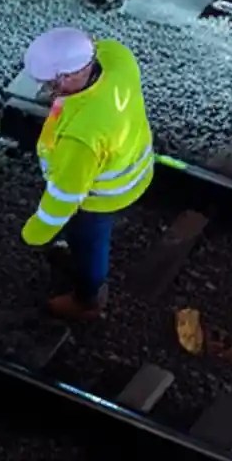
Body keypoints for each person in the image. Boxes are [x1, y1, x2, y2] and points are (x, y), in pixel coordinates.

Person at [20, 27, 154, 321]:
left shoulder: (81, 137)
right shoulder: (118, 57)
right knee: (87, 239)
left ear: (67, 76)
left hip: (99, 199)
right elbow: (100, 45)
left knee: (89, 243)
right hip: (134, 166)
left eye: (51, 83)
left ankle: (87, 299)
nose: (49, 90)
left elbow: (64, 196)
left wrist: (37, 231)